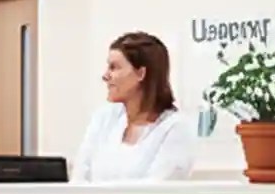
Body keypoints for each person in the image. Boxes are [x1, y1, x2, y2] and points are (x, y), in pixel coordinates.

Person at [72, 31, 195, 182]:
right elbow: (79, 178)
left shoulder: (175, 128)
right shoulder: (103, 118)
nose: (105, 76)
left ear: (140, 73)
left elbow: (158, 188)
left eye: (114, 67)